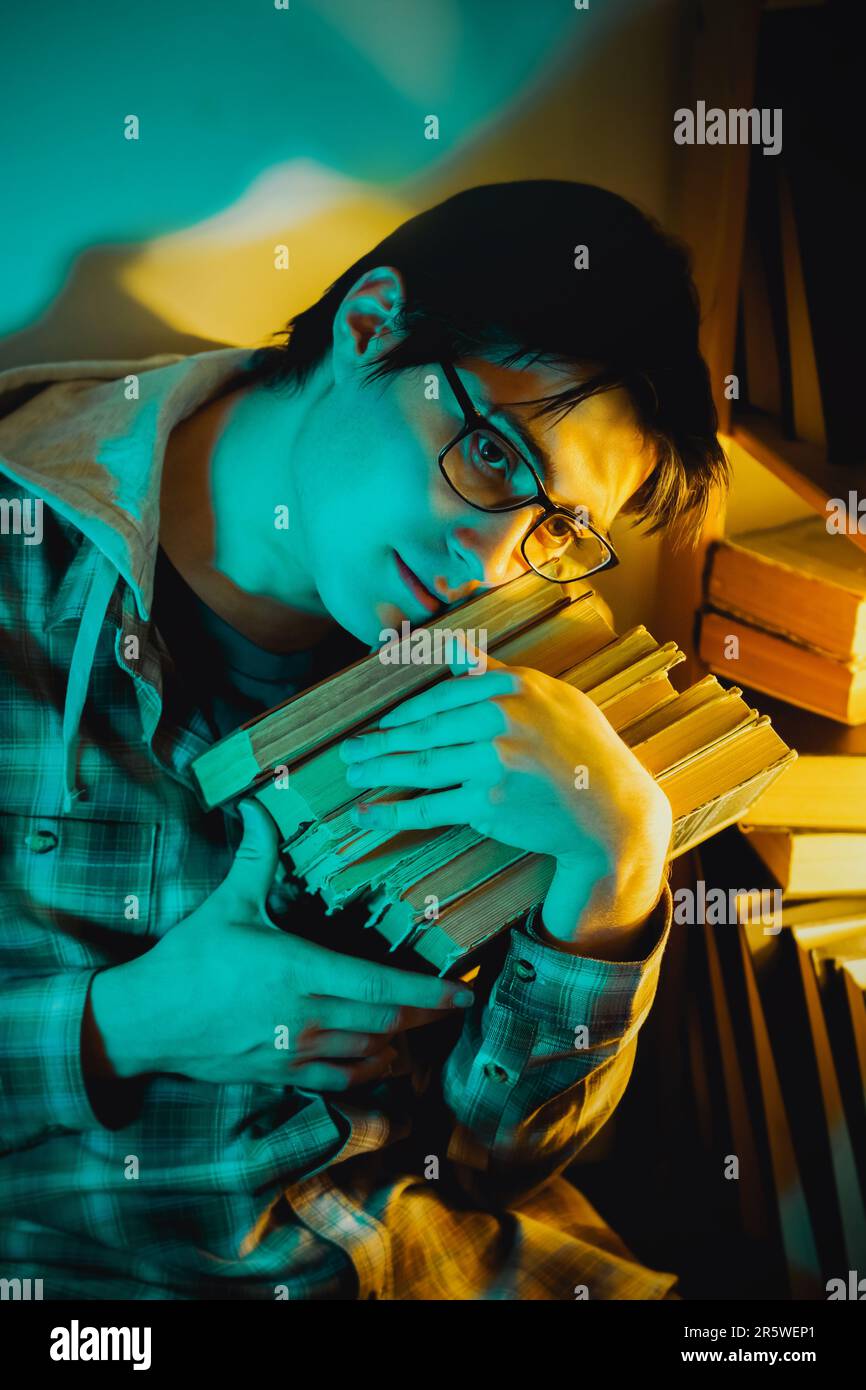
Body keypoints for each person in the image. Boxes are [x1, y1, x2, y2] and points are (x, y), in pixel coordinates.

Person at [0, 180, 727, 1300]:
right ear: (369, 324)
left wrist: (617, 865)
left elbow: (503, 1163)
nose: (486, 563)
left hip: (427, 1259)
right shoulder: (21, 561)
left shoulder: (515, 672)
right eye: (489, 456)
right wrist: (123, 1025)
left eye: (552, 526)